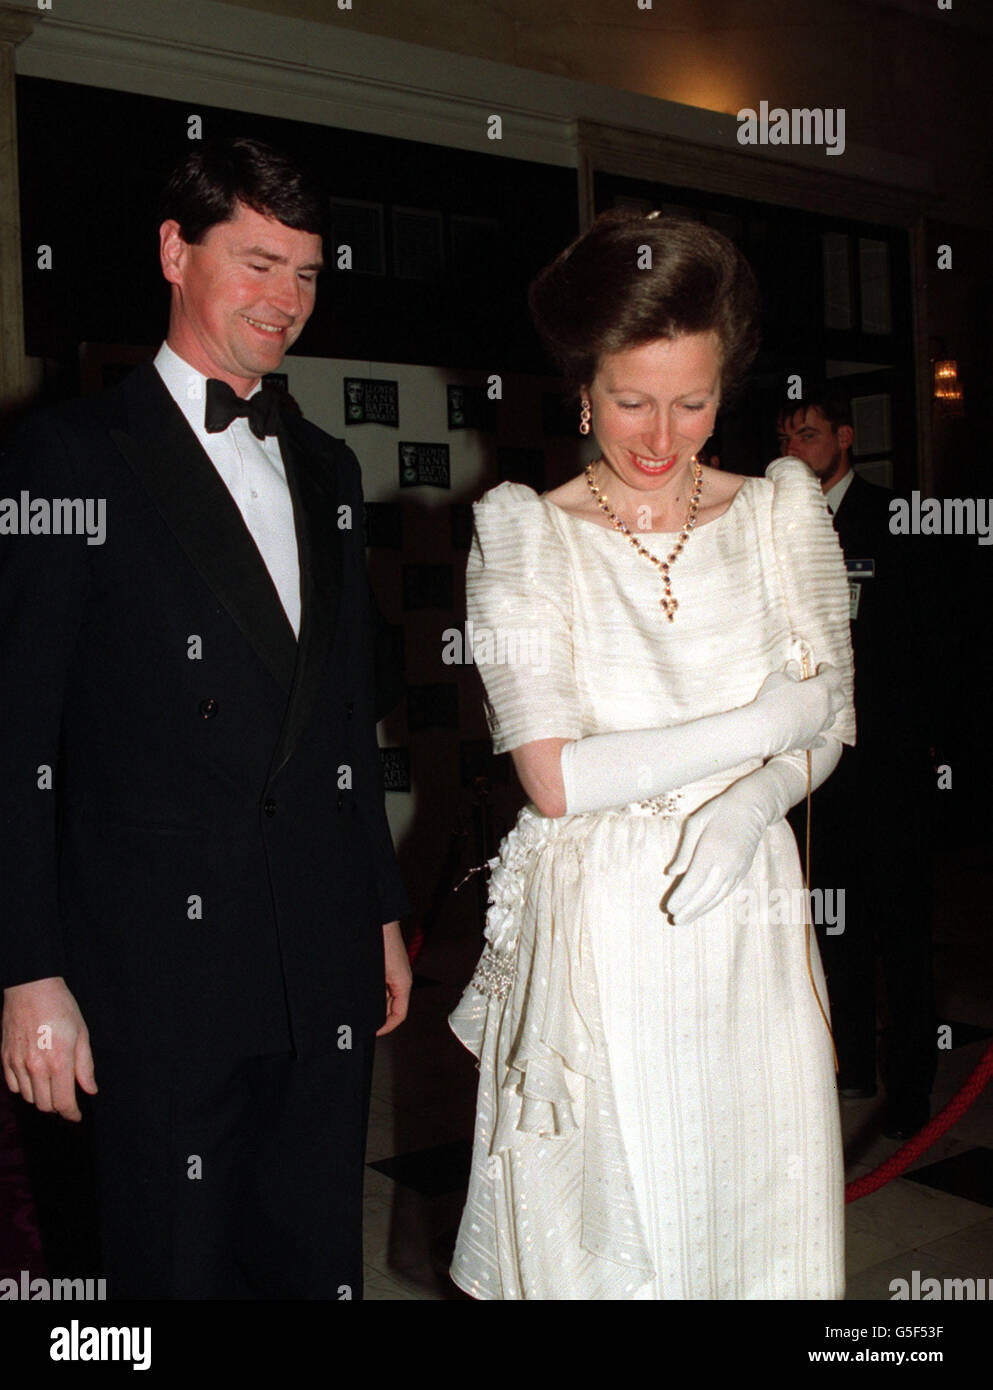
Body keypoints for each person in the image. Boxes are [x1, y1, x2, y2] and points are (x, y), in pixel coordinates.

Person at [0, 137, 411, 1299]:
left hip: (318, 950)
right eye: (259, 264)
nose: (288, 299)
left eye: (307, 273)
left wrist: (380, 911)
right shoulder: (66, 455)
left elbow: (341, 718)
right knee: (169, 1270)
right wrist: (27, 976)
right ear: (176, 252)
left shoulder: (328, 467)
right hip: (152, 976)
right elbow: (16, 740)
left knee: (311, 1258)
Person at [449, 210, 856, 1300]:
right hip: (606, 918)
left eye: (693, 402)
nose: (662, 436)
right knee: (622, 1239)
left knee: (754, 1213)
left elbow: (834, 720)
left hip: (749, 907)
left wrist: (752, 802)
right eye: (632, 400)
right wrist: (766, 728)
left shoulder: (780, 512)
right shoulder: (524, 534)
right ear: (583, 386)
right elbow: (556, 778)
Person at [776, 388, 937, 1140]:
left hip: (890, 760)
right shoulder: (778, 523)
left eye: (808, 434)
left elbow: (933, 636)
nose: (794, 448)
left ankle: (911, 1085)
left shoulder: (894, 517)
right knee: (831, 918)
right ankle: (849, 1064)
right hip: (817, 763)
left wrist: (929, 745)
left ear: (844, 437)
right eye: (786, 437)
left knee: (901, 927)